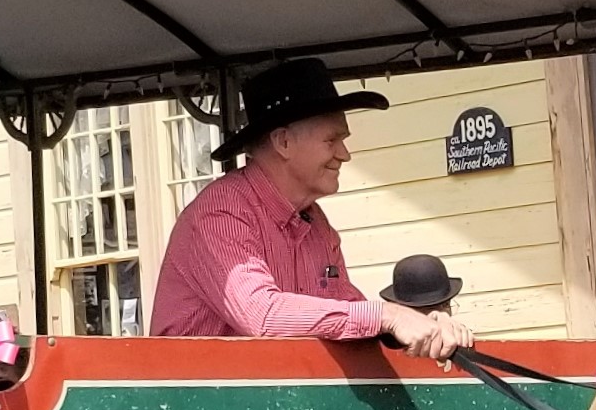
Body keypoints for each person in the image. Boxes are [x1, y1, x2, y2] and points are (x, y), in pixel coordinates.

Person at [149, 58, 470, 360]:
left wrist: (423, 327)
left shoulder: (316, 223)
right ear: (283, 142)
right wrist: (388, 315)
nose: (344, 154)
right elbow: (263, 316)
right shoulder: (220, 215)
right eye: (332, 140)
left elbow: (347, 315)